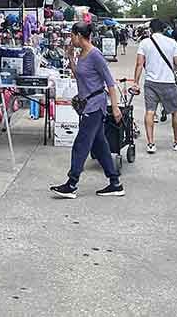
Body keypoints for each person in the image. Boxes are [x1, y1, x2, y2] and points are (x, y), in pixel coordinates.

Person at [50, 22, 125, 198]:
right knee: (100, 146)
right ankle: (115, 183)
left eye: (72, 36)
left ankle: (72, 183)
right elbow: (80, 76)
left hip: (95, 106)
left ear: (78, 35)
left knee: (81, 144)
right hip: (87, 105)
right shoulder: (82, 54)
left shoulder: (95, 55)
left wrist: (115, 107)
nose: (70, 39)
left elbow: (110, 82)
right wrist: (70, 58)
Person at [132, 19, 177, 153]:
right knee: (175, 112)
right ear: (164, 29)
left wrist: (135, 82)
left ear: (150, 30)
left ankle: (151, 144)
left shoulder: (144, 43)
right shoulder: (172, 43)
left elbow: (139, 64)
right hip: (168, 82)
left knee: (150, 112)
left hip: (151, 83)